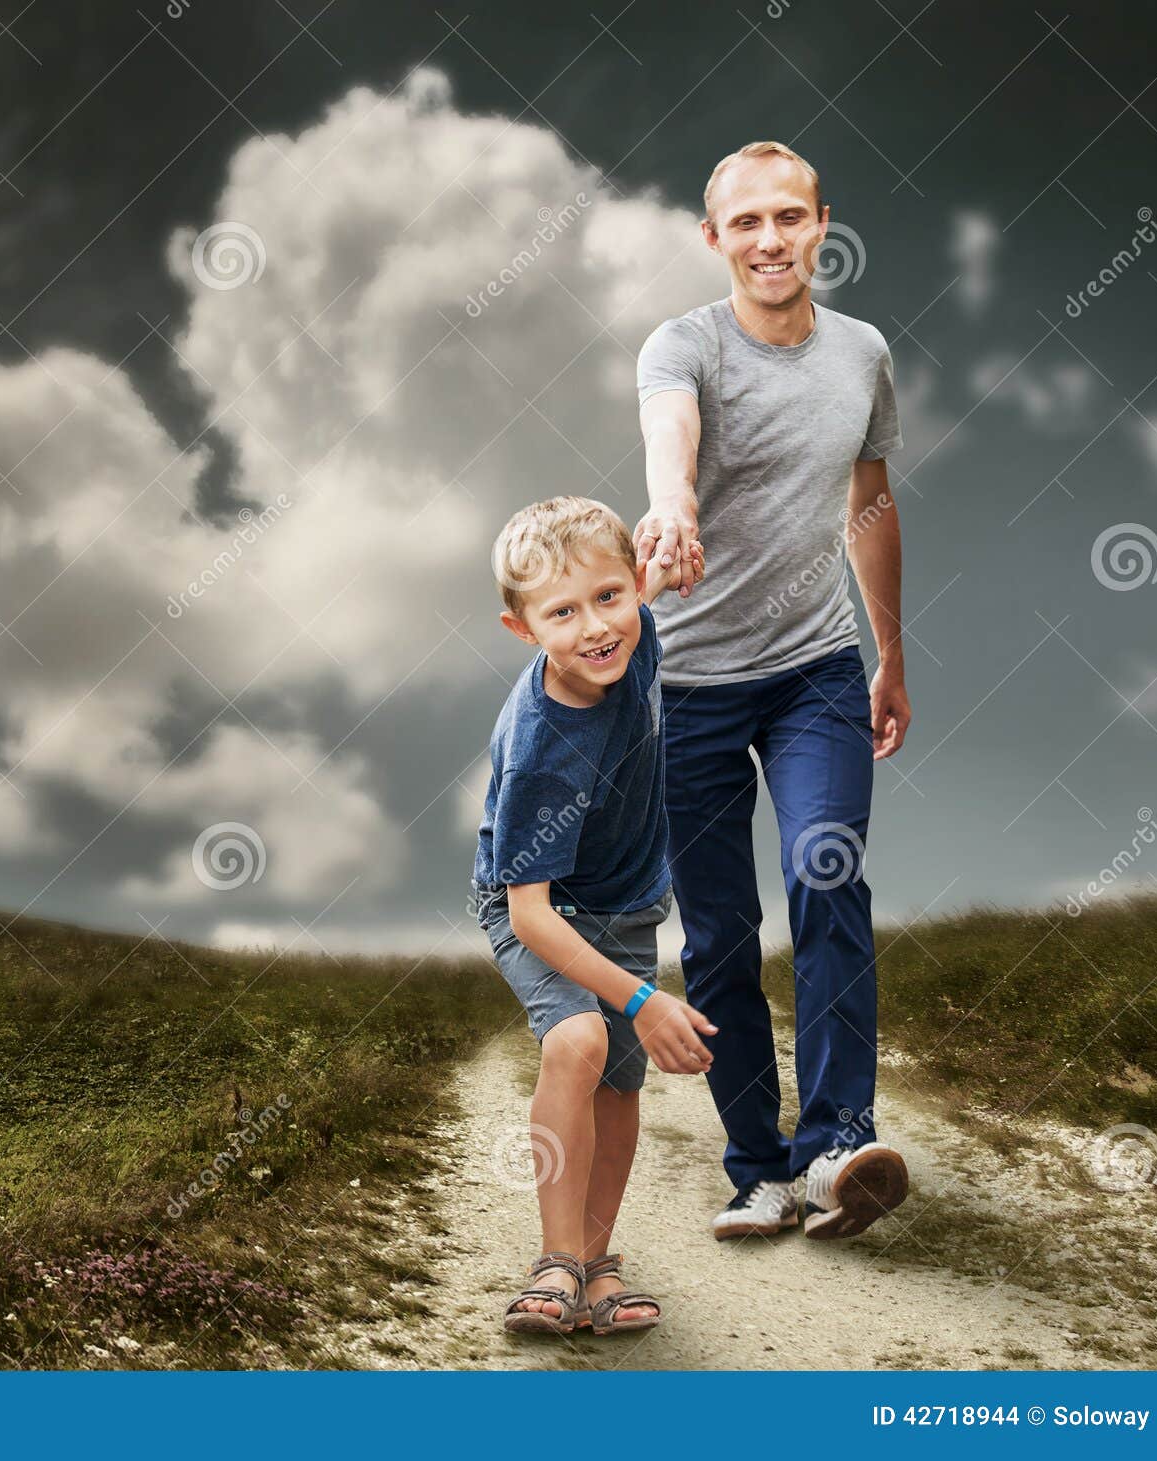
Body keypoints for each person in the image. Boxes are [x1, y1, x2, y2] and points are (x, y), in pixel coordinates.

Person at [634, 139, 911, 1242]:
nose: (768, 239)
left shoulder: (862, 354)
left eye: (787, 218)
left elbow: (873, 501)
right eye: (744, 222)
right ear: (714, 239)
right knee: (716, 932)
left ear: (820, 226)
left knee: (824, 873)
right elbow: (670, 433)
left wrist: (890, 653)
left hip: (817, 672)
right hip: (690, 684)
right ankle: (760, 1168)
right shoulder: (681, 345)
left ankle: (840, 1142)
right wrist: (675, 508)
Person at [471, 495, 709, 1335]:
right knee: (582, 1039)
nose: (597, 627)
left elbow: (661, 567)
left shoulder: (632, 639)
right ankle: (557, 1259)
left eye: (609, 596)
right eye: (562, 612)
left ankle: (601, 1262)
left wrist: (670, 532)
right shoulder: (540, 746)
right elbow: (531, 916)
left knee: (619, 1084)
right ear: (523, 629)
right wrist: (645, 1003)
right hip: (539, 906)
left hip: (628, 902)